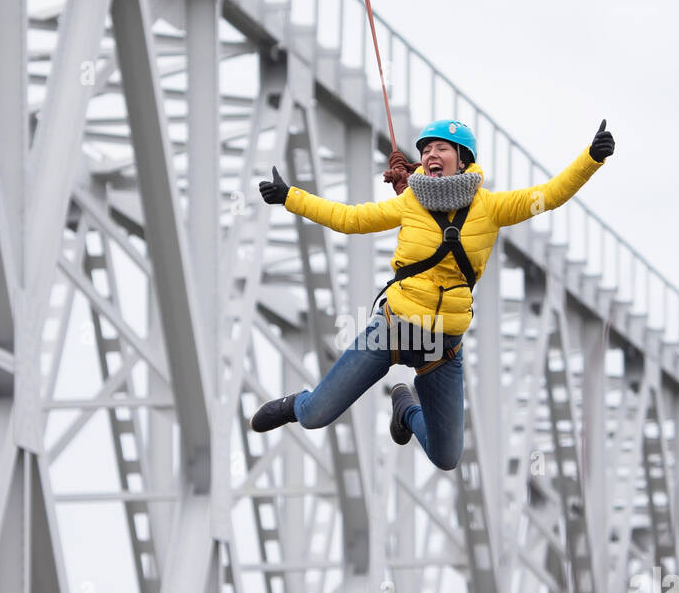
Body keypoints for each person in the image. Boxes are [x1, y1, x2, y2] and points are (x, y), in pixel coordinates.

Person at [250, 118, 615, 471]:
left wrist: (591, 158)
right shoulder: (410, 202)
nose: (430, 154)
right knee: (315, 415)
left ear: (463, 158)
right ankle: (292, 405)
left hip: (443, 349)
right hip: (392, 331)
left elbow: (550, 196)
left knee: (446, 457)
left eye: (441, 148)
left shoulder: (491, 209)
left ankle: (406, 410)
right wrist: (289, 197)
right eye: (426, 149)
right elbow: (349, 219)